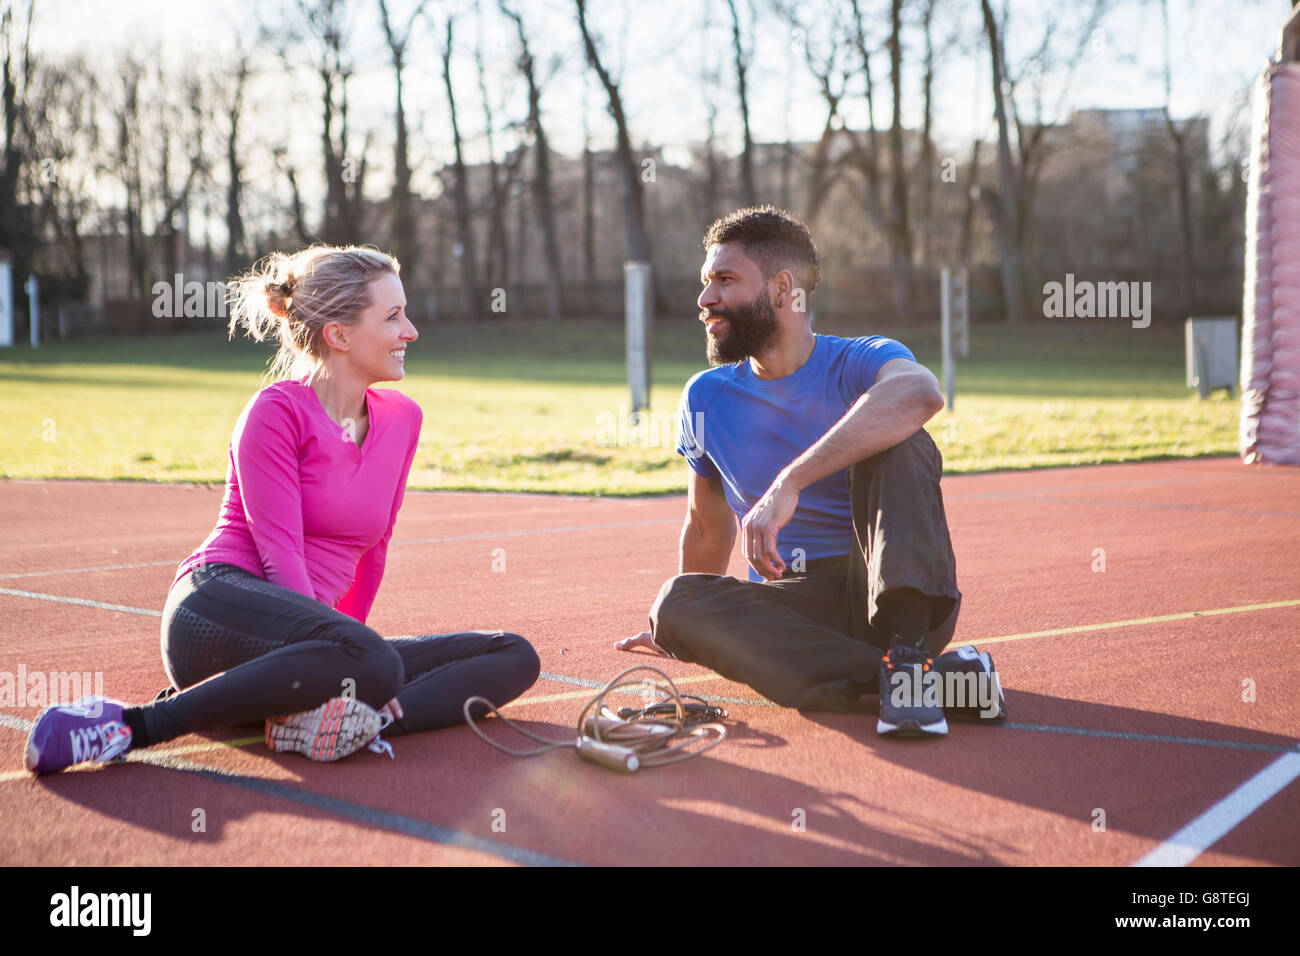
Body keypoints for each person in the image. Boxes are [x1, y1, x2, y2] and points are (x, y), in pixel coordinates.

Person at [26, 245, 540, 774]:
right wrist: (351, 656)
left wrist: (347, 665)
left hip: (309, 642)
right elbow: (281, 553)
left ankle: (345, 721)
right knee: (375, 663)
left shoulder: (403, 420)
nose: (410, 331)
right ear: (338, 335)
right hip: (216, 610)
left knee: (512, 654)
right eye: (392, 317)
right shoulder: (275, 412)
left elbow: (373, 552)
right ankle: (133, 725)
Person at [615, 207, 1004, 736]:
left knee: (902, 439)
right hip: (794, 609)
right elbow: (707, 528)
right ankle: (929, 683)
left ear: (781, 288)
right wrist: (683, 626)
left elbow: (921, 393)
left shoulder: (862, 359)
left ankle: (909, 657)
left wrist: (788, 483)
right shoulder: (703, 396)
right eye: (706, 283)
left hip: (884, 596)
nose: (706, 300)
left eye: (725, 280)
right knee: (676, 601)